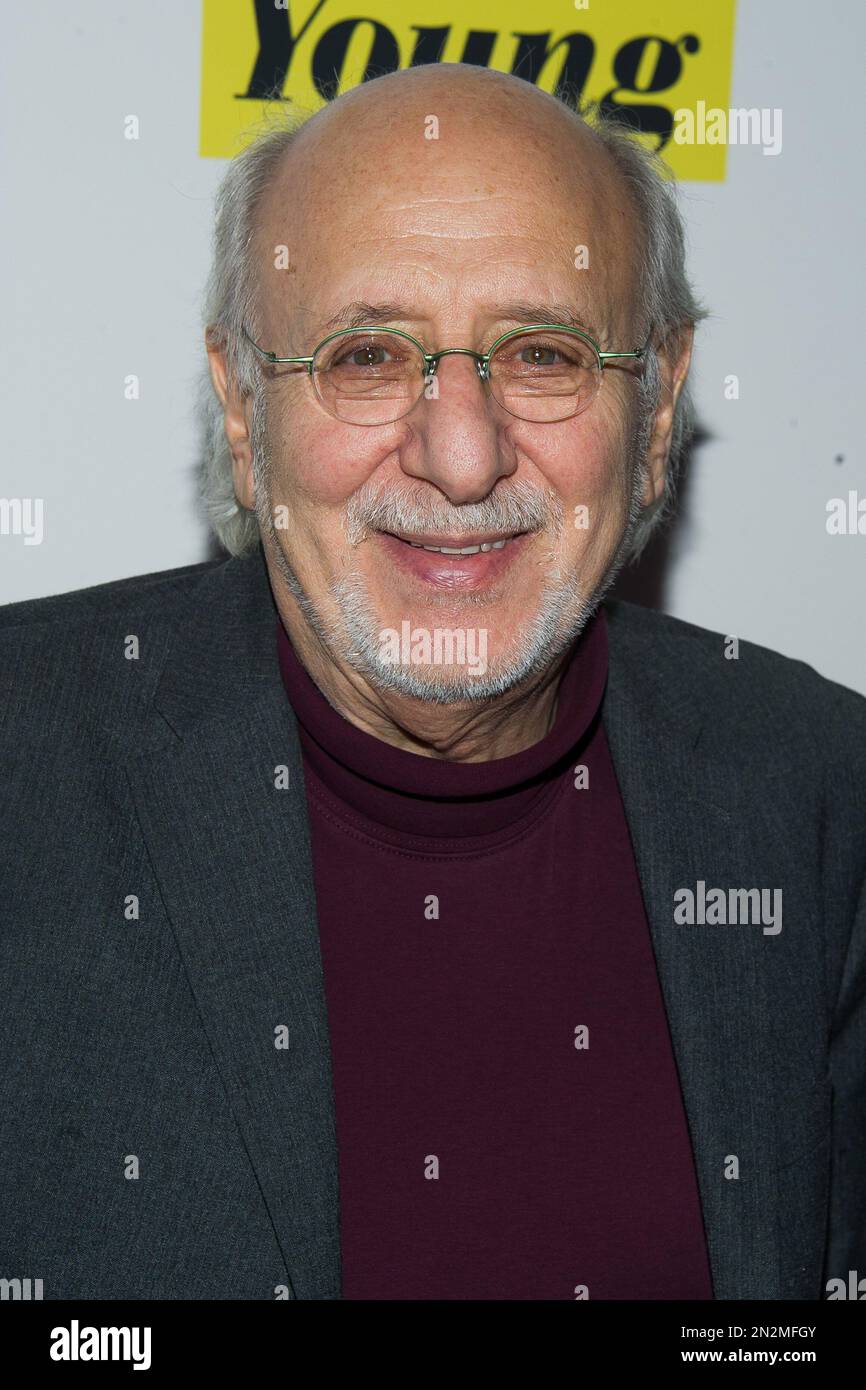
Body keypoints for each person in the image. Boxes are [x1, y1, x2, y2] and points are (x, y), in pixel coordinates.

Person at [1, 63, 863, 1301]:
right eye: (364, 353)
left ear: (657, 403)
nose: (461, 455)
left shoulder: (817, 795)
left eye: (544, 352)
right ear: (244, 410)